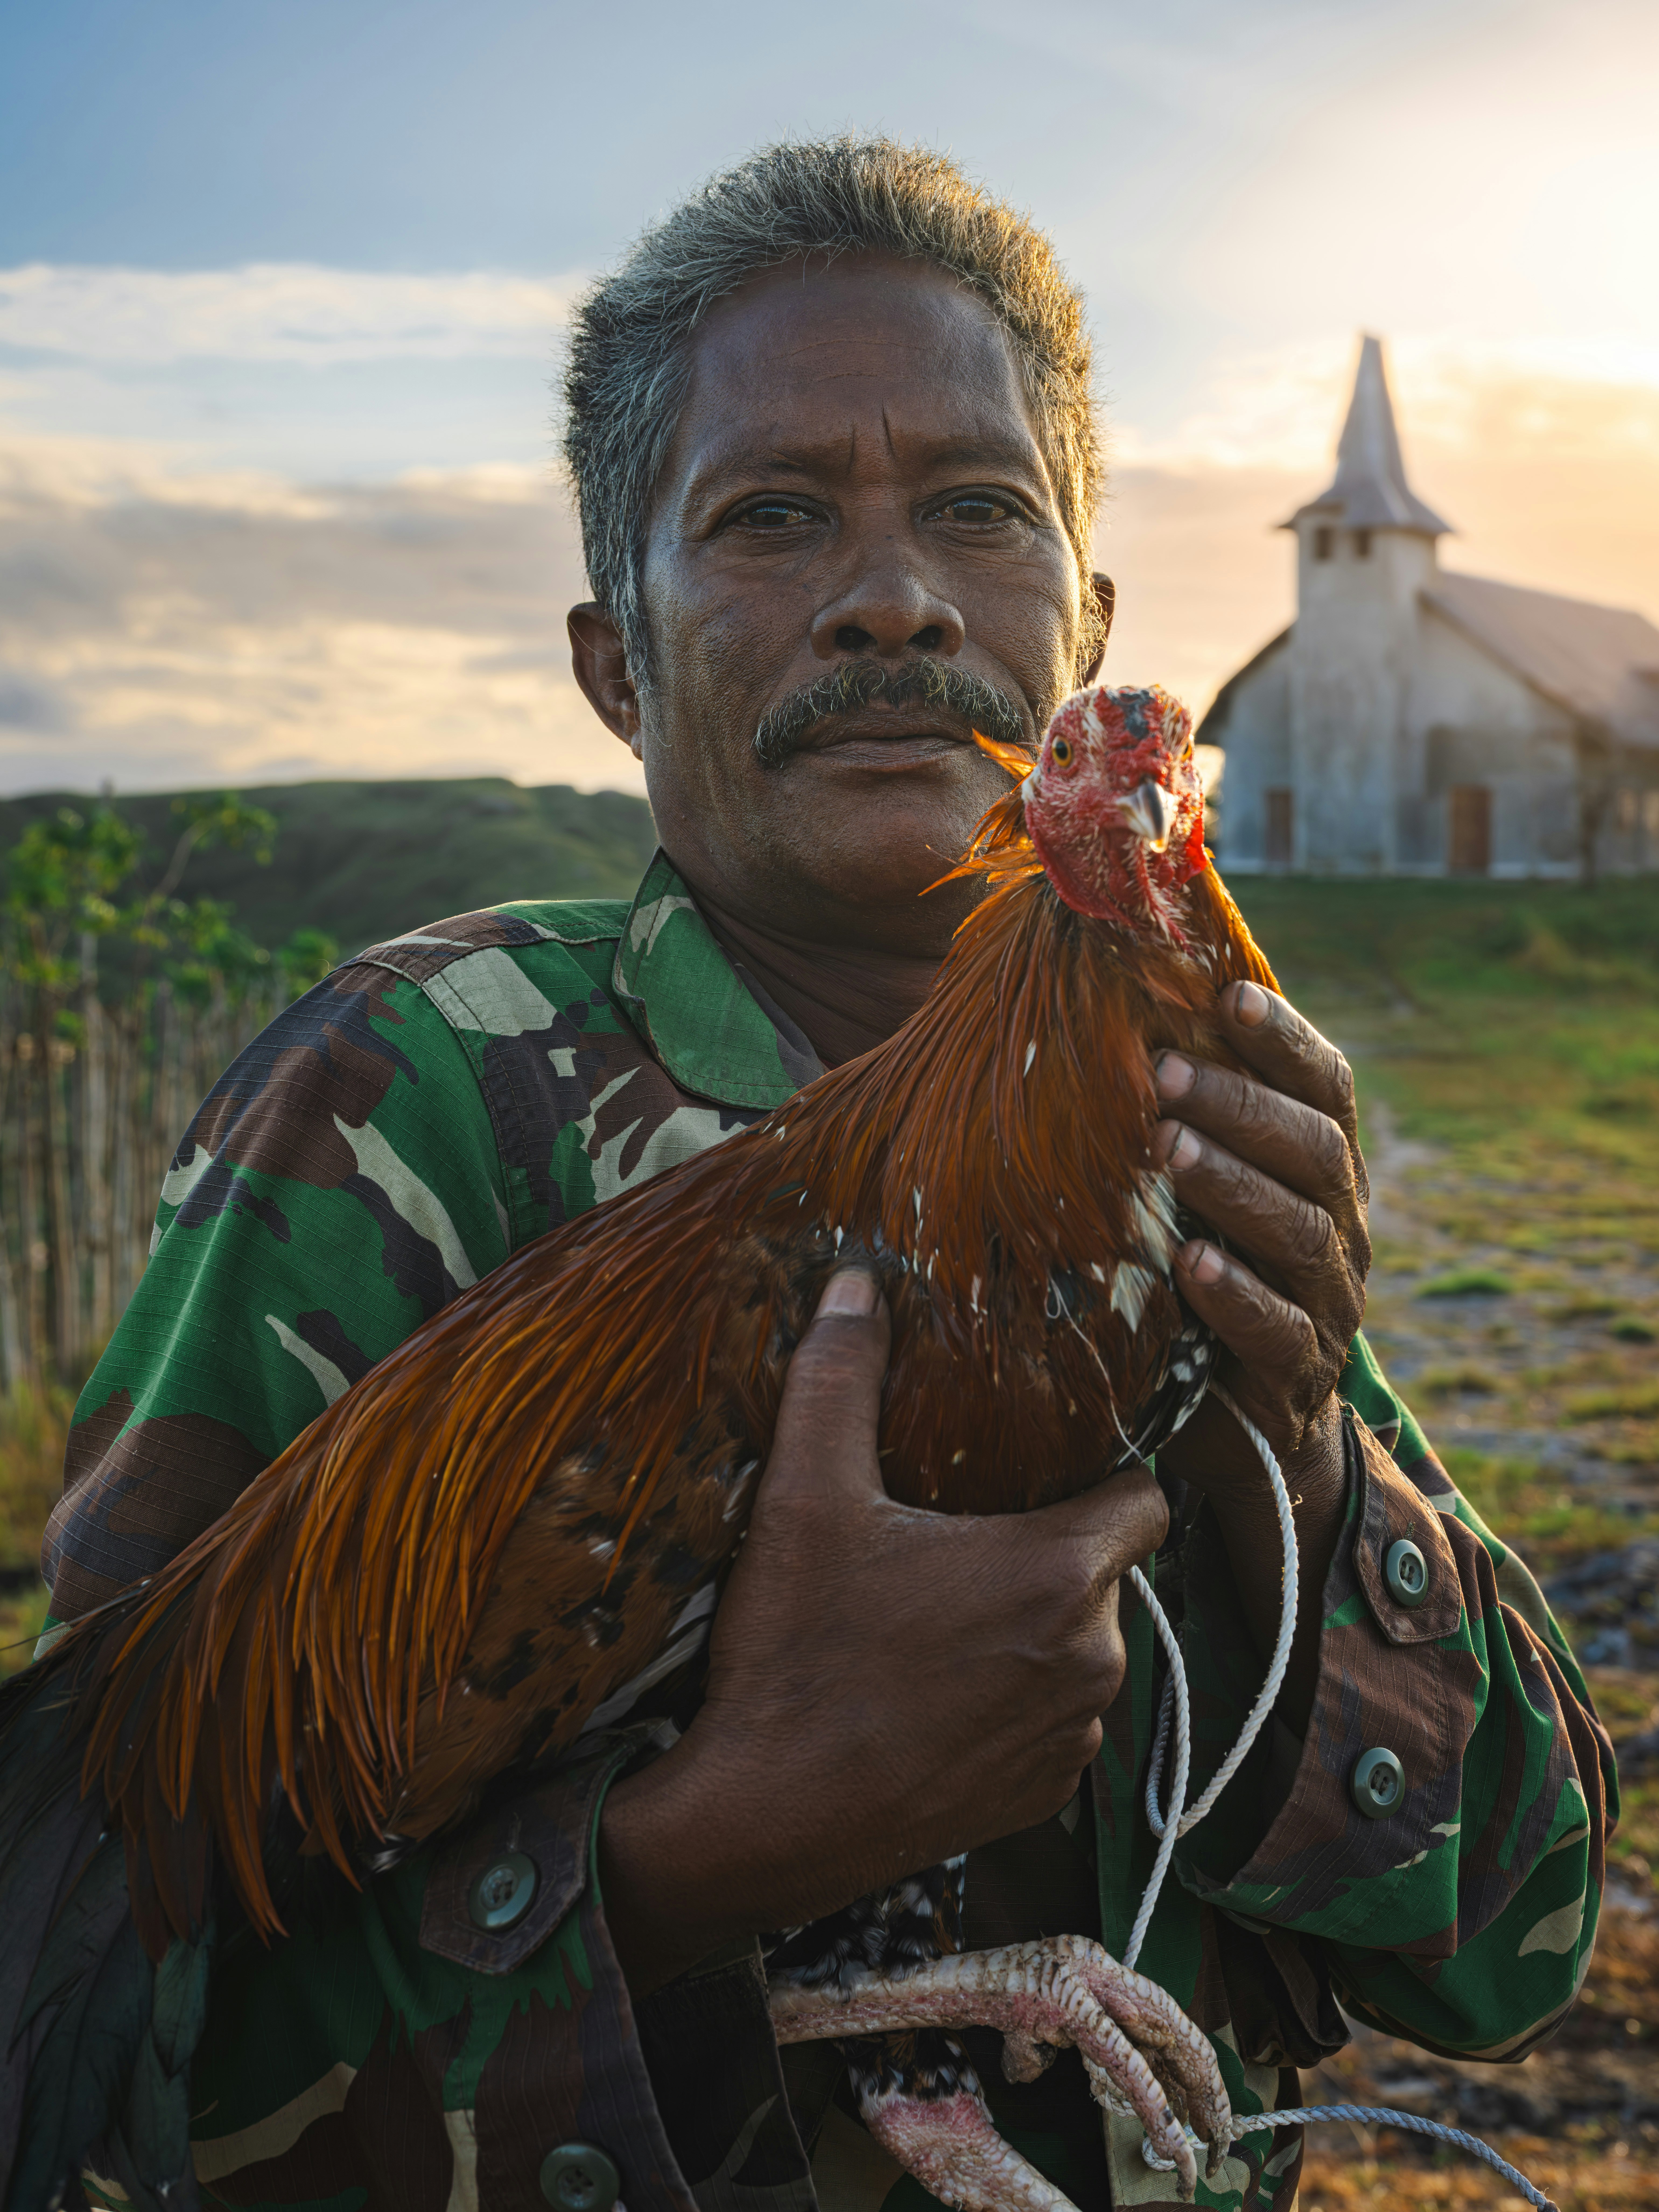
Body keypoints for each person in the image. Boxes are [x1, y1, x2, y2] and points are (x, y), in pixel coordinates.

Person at [44, 138, 1612, 2212]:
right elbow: (108, 2020)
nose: (895, 594)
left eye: (978, 507)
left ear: (1091, 629)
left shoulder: (1177, 1117)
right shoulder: (414, 1094)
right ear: (620, 669)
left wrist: (1301, 1458)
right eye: (772, 518)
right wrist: (724, 1851)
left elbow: (1511, 1952)